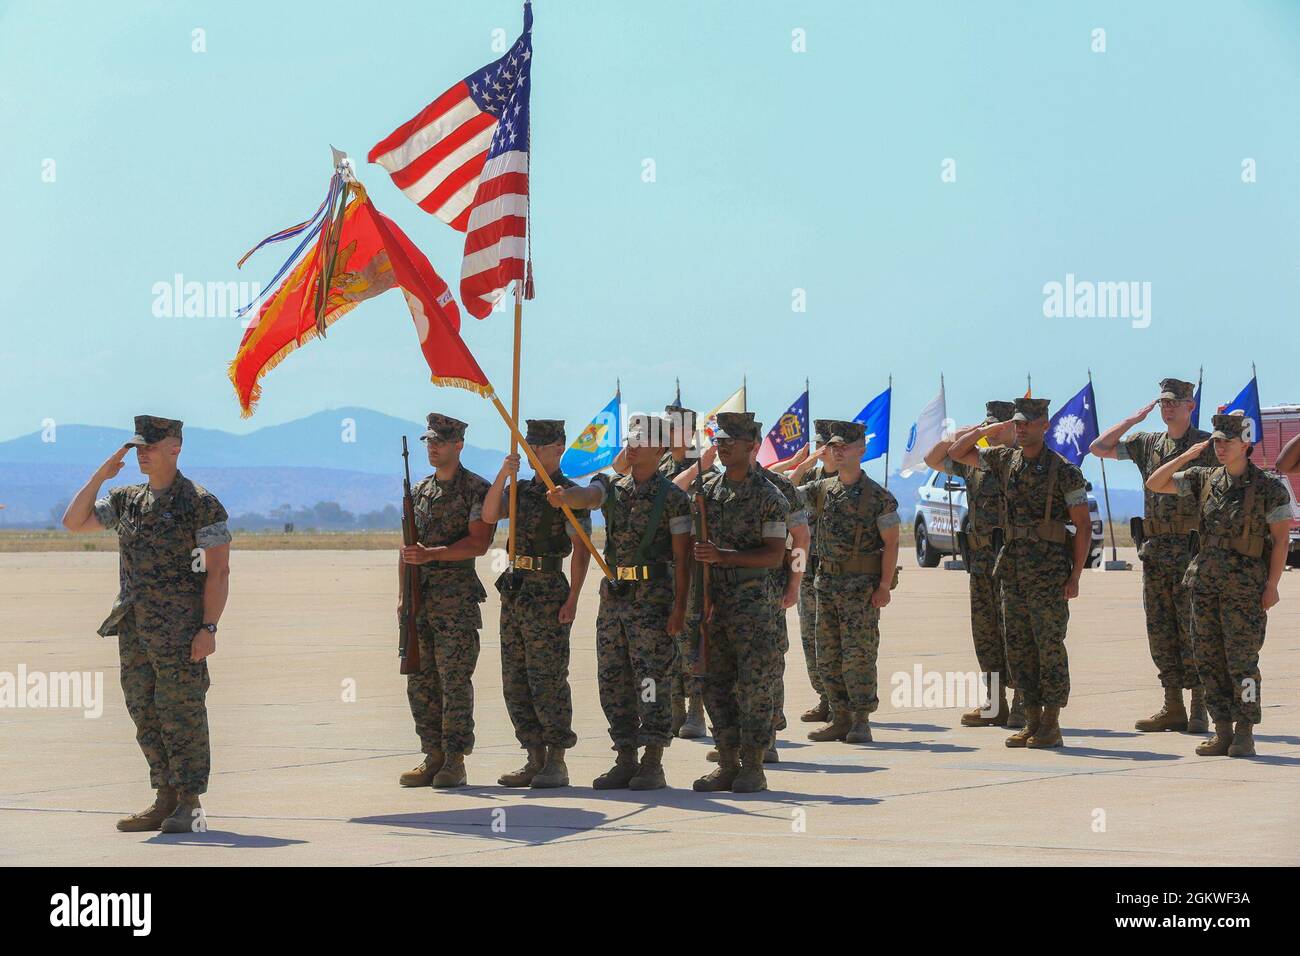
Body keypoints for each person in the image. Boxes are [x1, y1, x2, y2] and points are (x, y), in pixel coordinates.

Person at [61, 416, 231, 833]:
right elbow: (73, 522)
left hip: (180, 631)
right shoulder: (126, 500)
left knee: (182, 713)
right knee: (144, 712)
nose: (142, 453)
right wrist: (101, 475)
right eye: (138, 446)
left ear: (175, 448)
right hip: (135, 626)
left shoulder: (200, 502)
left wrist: (208, 628)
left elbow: (219, 572)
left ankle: (190, 804)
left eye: (150, 446)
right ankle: (164, 798)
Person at [547, 413, 692, 790]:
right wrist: (566, 497)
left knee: (651, 681)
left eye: (642, 438)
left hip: (653, 601)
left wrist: (680, 608)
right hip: (614, 600)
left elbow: (683, 557)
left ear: (659, 448)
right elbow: (590, 497)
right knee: (613, 679)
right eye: (631, 436)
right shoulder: (613, 487)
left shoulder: (673, 498)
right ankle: (625, 757)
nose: (632, 442)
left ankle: (653, 760)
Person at [947, 398, 1091, 749]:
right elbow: (956, 452)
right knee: (1018, 647)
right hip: (1011, 569)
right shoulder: (1004, 460)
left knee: (1048, 646)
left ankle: (1051, 722)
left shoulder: (1064, 471)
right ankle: (1031, 720)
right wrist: (985, 430)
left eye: (1028, 422)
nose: (1022, 427)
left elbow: (1083, 527)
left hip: (1048, 570)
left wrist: (1074, 576)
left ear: (1045, 425)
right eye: (1018, 423)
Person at [1145, 413, 1292, 757]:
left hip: (1245, 588)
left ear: (1247, 445)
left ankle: (1245, 731)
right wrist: (1187, 456)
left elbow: (1281, 541)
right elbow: (1155, 483)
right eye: (1216, 441)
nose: (1220, 447)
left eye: (1227, 441)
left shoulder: (1269, 488)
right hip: (1205, 583)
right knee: (1208, 660)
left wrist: (1272, 585)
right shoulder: (1204, 479)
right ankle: (1221, 730)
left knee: (1242, 663)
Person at [1091, 378, 1217, 733]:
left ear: (1190, 406)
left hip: (1192, 552)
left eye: (1174, 402)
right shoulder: (1148, 444)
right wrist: (1132, 420)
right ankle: (1172, 704)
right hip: (1156, 551)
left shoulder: (1206, 445)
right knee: (1160, 630)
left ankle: (1198, 706)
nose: (1167, 408)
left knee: (1193, 629)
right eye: (1163, 402)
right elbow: (1099, 447)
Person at [678, 412, 789, 792]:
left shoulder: (769, 496)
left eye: (729, 442)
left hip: (752, 604)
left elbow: (774, 555)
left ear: (751, 446)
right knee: (715, 683)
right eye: (719, 441)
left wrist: (723, 556)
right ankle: (727, 761)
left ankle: (753, 765)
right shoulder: (707, 490)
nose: (721, 447)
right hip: (711, 602)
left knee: (755, 685)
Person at [482, 420, 591, 788]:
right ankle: (533, 756)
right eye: (529, 445)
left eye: (538, 446)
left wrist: (574, 596)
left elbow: (581, 549)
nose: (531, 452)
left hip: (547, 587)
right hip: (516, 586)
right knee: (515, 678)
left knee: (547, 677)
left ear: (557, 447)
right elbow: (488, 514)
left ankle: (556, 760)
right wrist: (503, 473)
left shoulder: (570, 494)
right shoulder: (521, 492)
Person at [397, 413, 495, 789]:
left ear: (458, 445)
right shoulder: (419, 490)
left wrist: (431, 554)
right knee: (419, 680)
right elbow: (406, 548)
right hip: (419, 600)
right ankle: (432, 753)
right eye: (428, 441)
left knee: (454, 680)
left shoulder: (475, 489)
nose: (432, 447)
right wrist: (403, 596)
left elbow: (478, 543)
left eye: (439, 441)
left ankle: (455, 759)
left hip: (455, 601)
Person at [801, 420, 900, 745]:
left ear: (862, 450)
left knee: (858, 654)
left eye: (844, 446)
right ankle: (839, 717)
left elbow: (892, 544)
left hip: (860, 588)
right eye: (833, 447)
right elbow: (784, 492)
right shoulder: (822, 490)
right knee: (828, 655)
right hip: (826, 583)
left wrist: (884, 586)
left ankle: (860, 719)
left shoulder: (879, 498)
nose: (838, 452)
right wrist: (802, 464)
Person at [924, 400, 1018, 727]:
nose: (992, 432)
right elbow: (933, 459)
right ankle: (995, 703)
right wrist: (967, 433)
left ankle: (1022, 701)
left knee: (1016, 632)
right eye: (988, 424)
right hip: (980, 561)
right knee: (986, 632)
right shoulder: (973, 461)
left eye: (998, 426)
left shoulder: (1021, 460)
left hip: (1014, 561)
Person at [789, 420, 838, 722]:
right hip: (807, 570)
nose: (824, 452)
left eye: (829, 447)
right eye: (820, 446)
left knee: (833, 639)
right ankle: (824, 697)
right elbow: (785, 488)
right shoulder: (810, 479)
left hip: (837, 572)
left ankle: (840, 702)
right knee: (810, 638)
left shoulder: (850, 480)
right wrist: (804, 462)